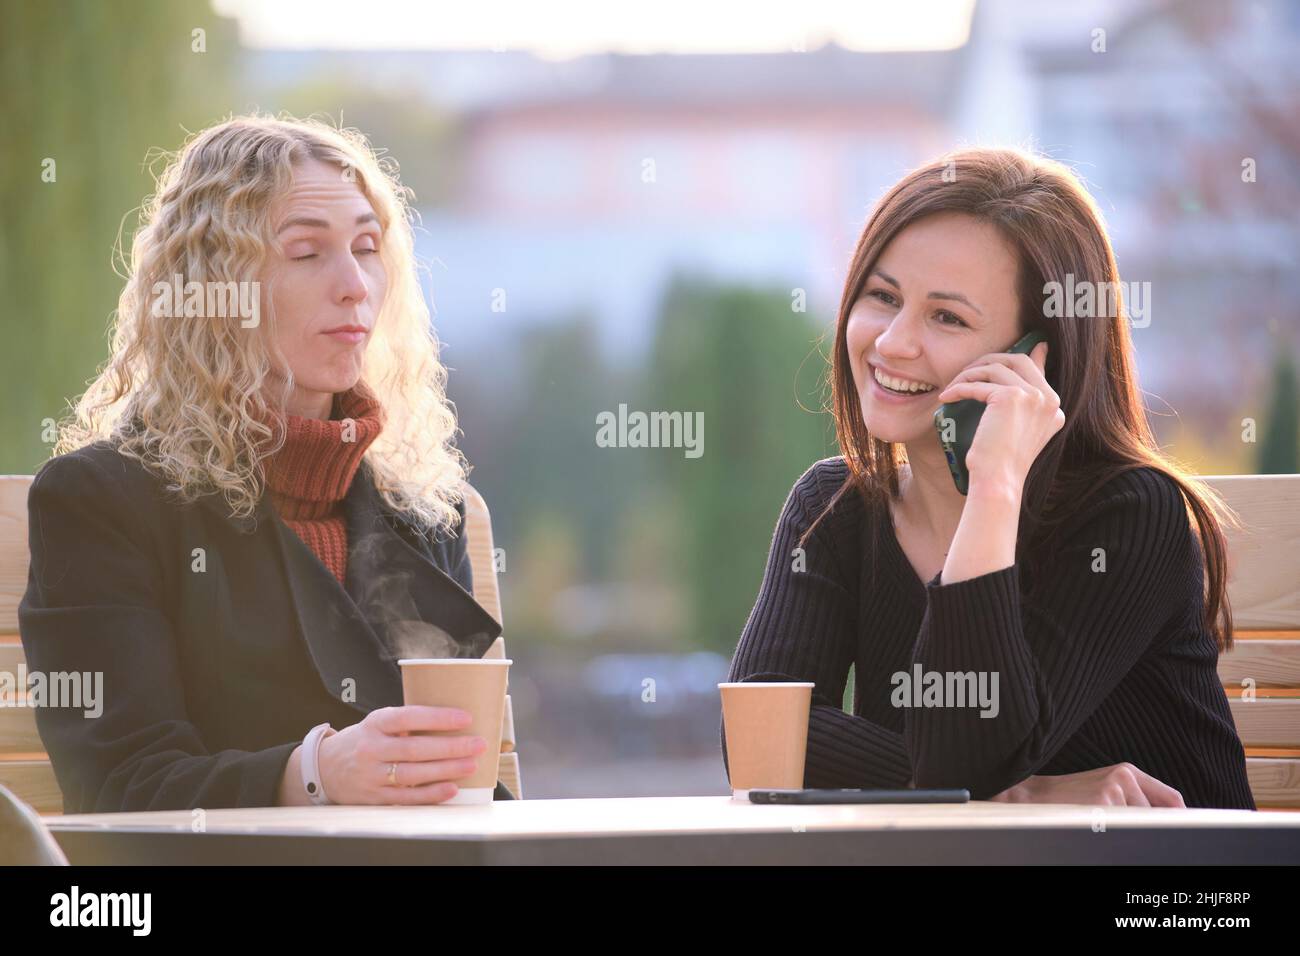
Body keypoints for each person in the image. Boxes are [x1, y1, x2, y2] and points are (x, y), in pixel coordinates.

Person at [724, 147, 1254, 809]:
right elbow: (761, 741)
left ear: (1034, 361)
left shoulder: (1129, 515)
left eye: (946, 317)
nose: (891, 343)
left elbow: (965, 754)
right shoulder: (833, 506)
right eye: (883, 296)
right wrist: (1024, 795)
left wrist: (995, 486)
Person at [19, 114, 510, 812]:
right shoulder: (103, 502)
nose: (354, 286)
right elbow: (120, 785)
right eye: (306, 254)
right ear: (215, 292)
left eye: (368, 248)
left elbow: (463, 778)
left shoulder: (423, 508)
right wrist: (314, 774)